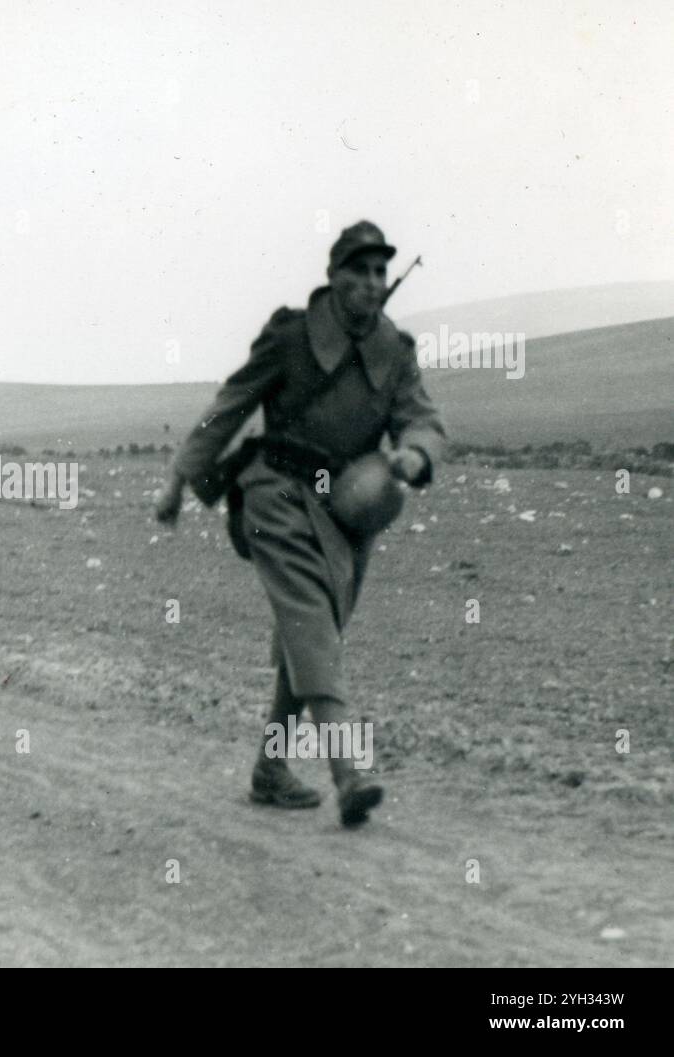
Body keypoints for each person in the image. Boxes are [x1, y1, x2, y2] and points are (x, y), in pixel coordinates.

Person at [156, 221, 446, 827]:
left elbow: (421, 419)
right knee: (310, 620)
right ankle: (349, 773)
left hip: (346, 507)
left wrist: (413, 457)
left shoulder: (396, 351)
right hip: (275, 491)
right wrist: (182, 477)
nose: (372, 283)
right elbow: (232, 403)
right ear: (335, 277)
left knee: (315, 633)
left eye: (379, 272)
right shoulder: (291, 336)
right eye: (359, 271)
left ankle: (270, 768)